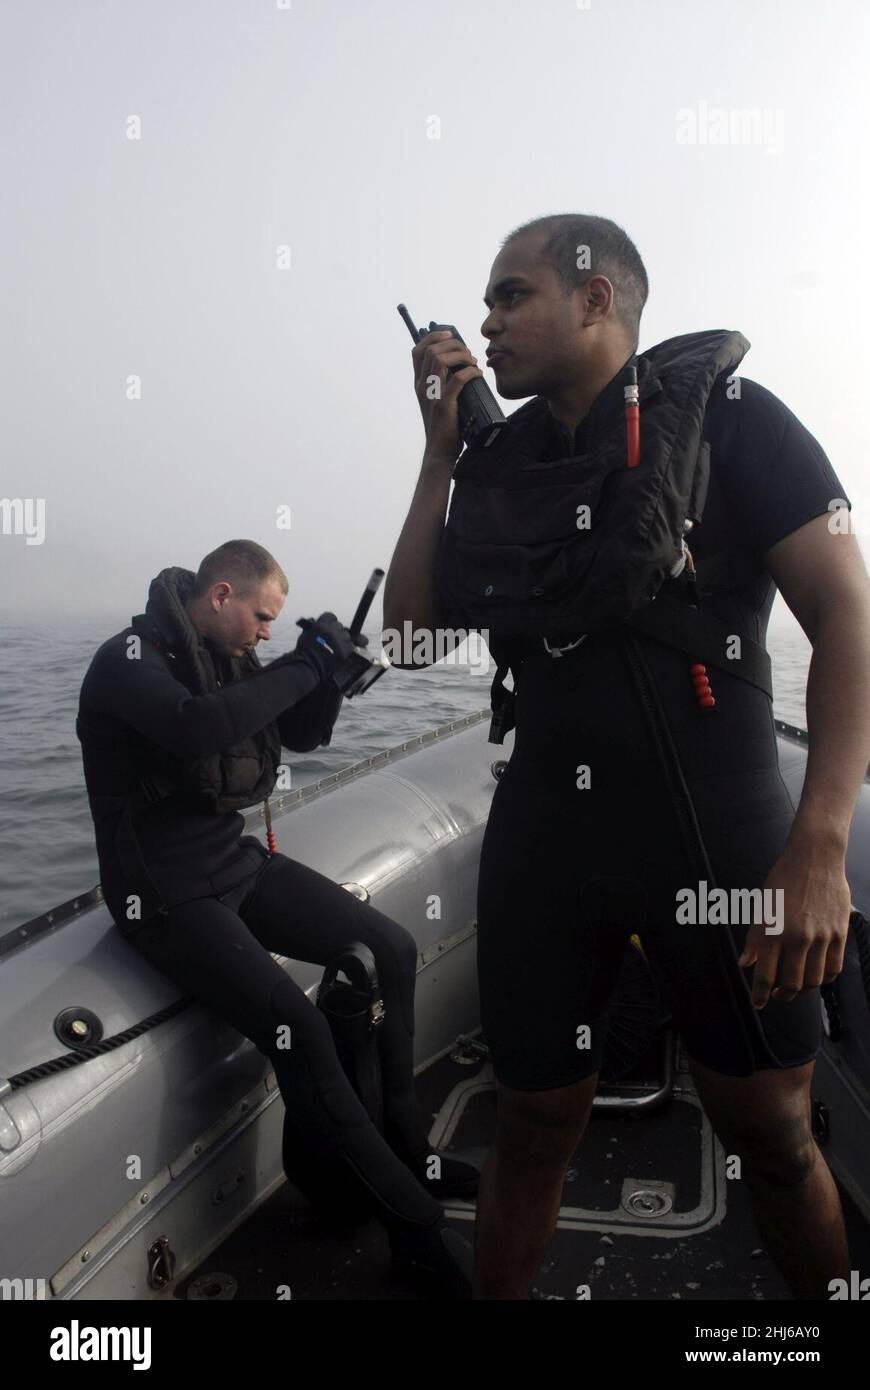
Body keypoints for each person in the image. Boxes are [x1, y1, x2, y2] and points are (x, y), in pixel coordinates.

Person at [383, 214, 870, 1300]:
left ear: (596, 299)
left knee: (775, 1136)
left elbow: (847, 616)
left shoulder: (734, 420)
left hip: (722, 828)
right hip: (551, 841)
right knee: (532, 1123)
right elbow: (411, 641)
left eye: (513, 295)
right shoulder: (502, 462)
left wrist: (822, 840)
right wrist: (438, 455)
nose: (490, 322)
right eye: (488, 302)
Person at [76, 537, 478, 1298]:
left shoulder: (230, 657)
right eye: (262, 617)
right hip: (164, 896)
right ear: (220, 596)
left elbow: (299, 735)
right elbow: (199, 728)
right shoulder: (125, 658)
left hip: (233, 865)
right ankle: (413, 1224)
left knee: (387, 945)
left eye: (276, 624)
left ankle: (410, 1147)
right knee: (305, 1029)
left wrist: (330, 676)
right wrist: (306, 664)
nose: (266, 631)